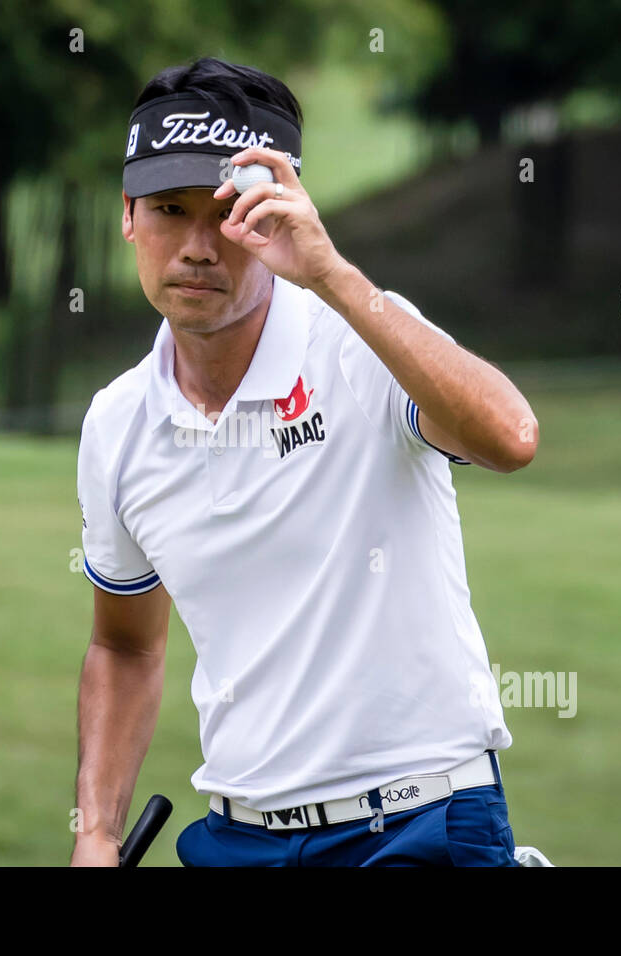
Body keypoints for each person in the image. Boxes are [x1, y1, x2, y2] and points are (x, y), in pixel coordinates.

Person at [71, 56, 539, 867]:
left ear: (281, 213)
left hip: (418, 824)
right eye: (167, 211)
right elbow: (125, 646)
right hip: (237, 837)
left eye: (228, 214)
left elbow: (510, 438)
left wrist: (330, 273)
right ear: (127, 216)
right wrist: (97, 835)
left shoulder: (360, 342)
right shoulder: (117, 424)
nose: (195, 247)